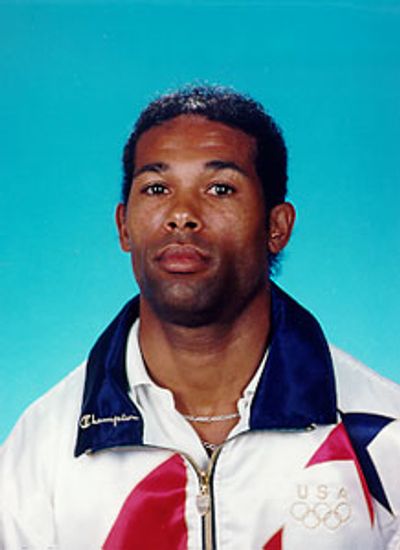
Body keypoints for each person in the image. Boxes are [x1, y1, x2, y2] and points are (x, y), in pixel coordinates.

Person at [1, 85, 400, 550]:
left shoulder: (382, 434)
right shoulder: (43, 446)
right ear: (124, 226)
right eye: (156, 188)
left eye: (219, 189)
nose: (182, 215)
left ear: (276, 227)